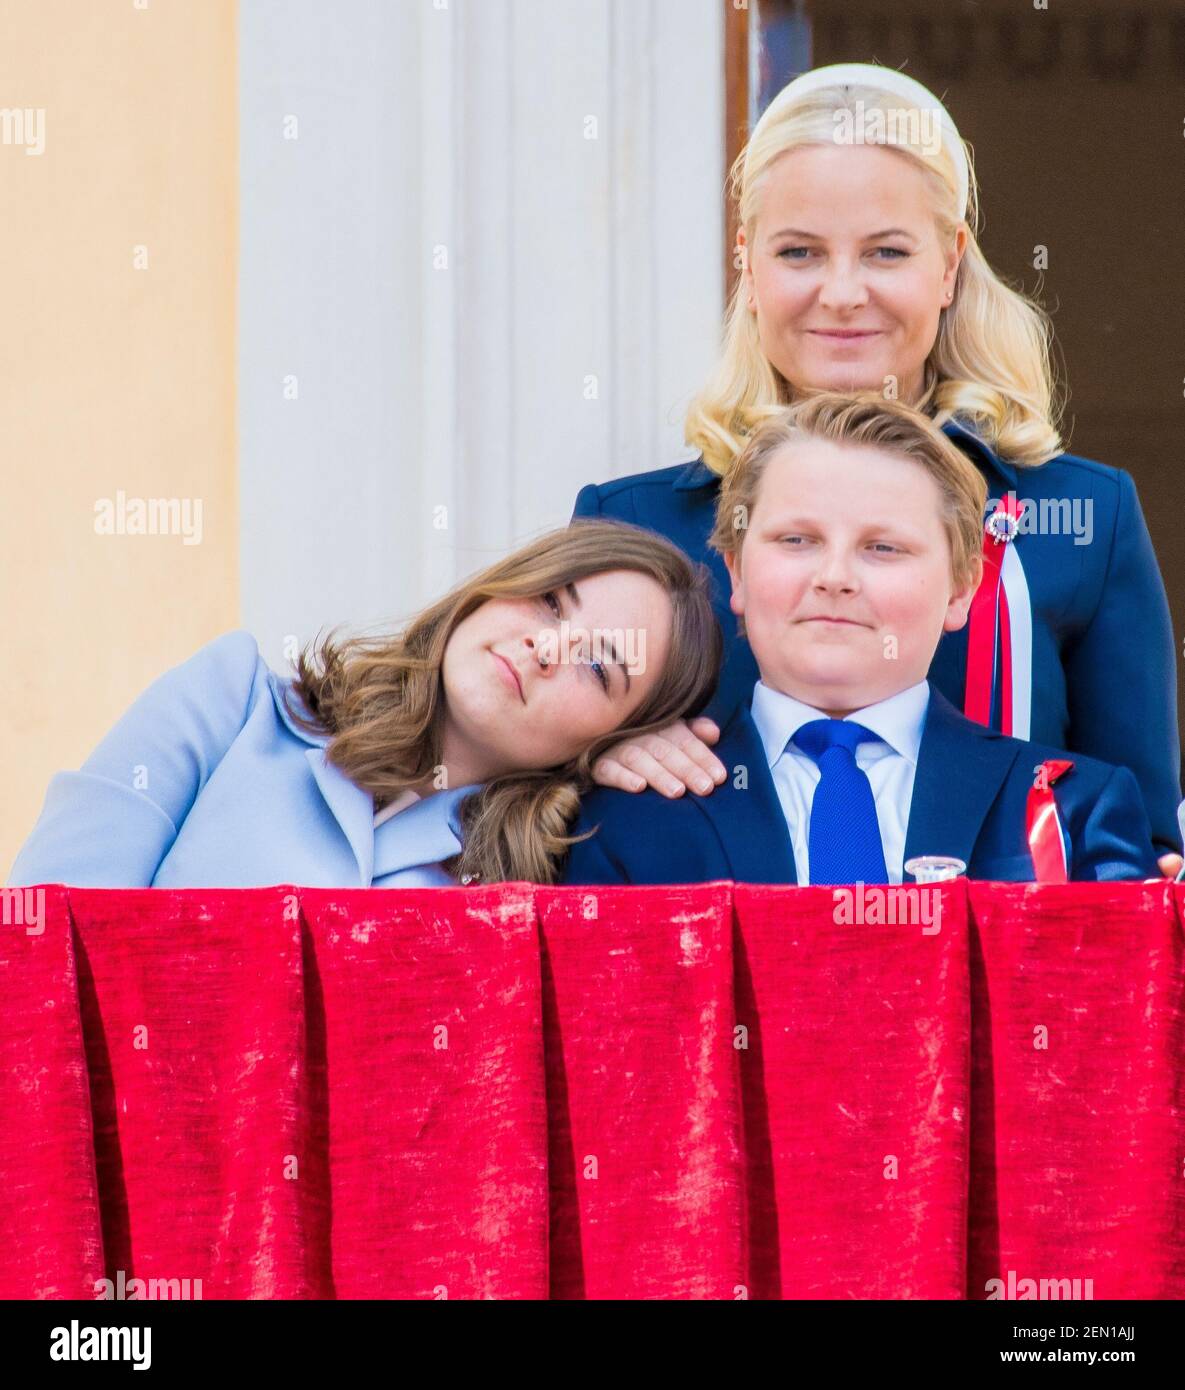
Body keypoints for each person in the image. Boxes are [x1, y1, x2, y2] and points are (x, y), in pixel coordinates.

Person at [572, 62, 1182, 873]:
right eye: (799, 252)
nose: (842, 292)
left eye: (886, 252)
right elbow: (542, 797)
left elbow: (1139, 837)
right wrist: (597, 758)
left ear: (950, 263)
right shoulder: (632, 525)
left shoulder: (1081, 515)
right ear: (747, 266)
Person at [562, 394, 1159, 887]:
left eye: (883, 548)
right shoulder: (622, 823)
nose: (835, 578)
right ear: (736, 572)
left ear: (960, 589)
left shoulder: (1077, 810)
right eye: (796, 540)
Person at [7, 521, 721, 889]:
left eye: (598, 665)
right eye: (546, 602)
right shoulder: (229, 701)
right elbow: (41, 941)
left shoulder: (523, 899)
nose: (546, 648)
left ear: (607, 740)